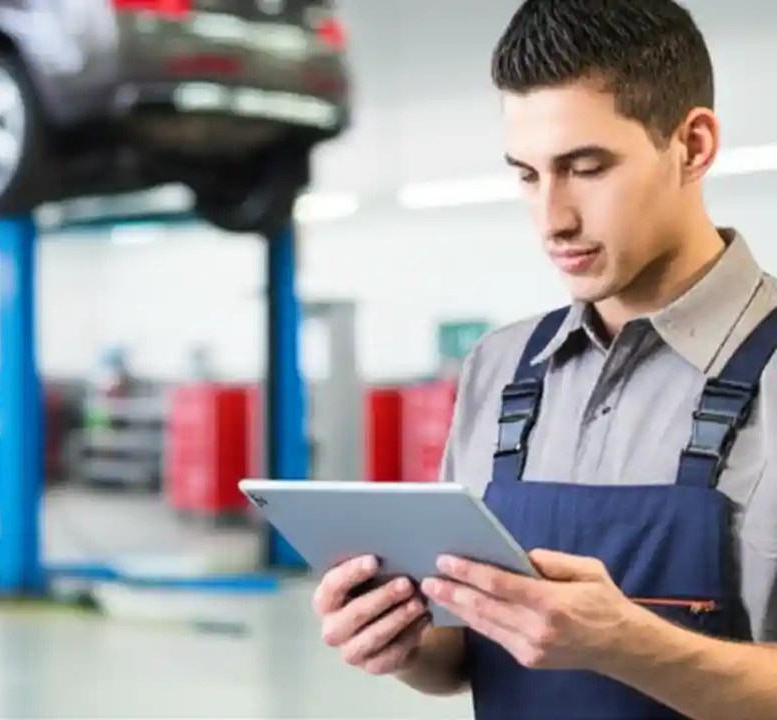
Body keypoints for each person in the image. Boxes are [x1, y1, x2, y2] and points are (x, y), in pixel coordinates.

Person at [310, 1, 777, 718]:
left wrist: (628, 645)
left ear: (694, 145)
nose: (552, 219)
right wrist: (406, 646)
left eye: (586, 168)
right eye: (527, 175)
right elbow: (466, 657)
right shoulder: (500, 370)